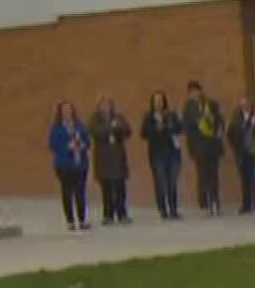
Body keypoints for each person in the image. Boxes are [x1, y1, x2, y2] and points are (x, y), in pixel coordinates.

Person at [46, 100, 92, 232]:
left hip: (80, 164)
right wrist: (67, 147)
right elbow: (53, 144)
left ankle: (82, 219)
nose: (67, 112)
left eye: (69, 110)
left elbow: (87, 140)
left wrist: (82, 145)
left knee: (80, 192)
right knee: (67, 192)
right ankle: (70, 220)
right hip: (64, 165)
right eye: (64, 110)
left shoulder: (79, 126)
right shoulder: (57, 129)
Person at [182, 80, 226, 217]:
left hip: (212, 144)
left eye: (197, 91)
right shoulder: (188, 108)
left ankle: (215, 202)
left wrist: (219, 129)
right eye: (192, 92)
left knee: (214, 175)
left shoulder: (211, 104)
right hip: (199, 146)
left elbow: (220, 121)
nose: (195, 94)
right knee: (203, 175)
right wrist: (190, 148)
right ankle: (205, 203)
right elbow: (187, 129)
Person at [89, 95, 132, 226]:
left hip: (118, 157)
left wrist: (116, 129)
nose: (106, 107)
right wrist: (112, 128)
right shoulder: (95, 119)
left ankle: (122, 213)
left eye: (108, 104)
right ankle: (108, 214)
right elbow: (96, 132)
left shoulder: (118, 117)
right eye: (103, 105)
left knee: (120, 187)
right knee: (106, 188)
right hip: (104, 158)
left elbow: (127, 130)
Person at [142, 91, 183, 219]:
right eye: (156, 101)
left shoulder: (170, 114)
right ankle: (162, 208)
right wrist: (155, 129)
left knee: (172, 182)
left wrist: (169, 126)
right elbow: (143, 133)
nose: (158, 103)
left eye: (160, 100)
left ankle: (173, 209)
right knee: (161, 182)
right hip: (157, 153)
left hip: (172, 152)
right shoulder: (149, 117)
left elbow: (180, 128)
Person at [229, 98, 255, 215]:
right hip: (242, 152)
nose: (244, 106)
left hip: (254, 151)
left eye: (246, 104)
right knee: (245, 179)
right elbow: (230, 134)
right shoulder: (236, 118)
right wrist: (235, 148)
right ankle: (246, 204)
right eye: (242, 105)